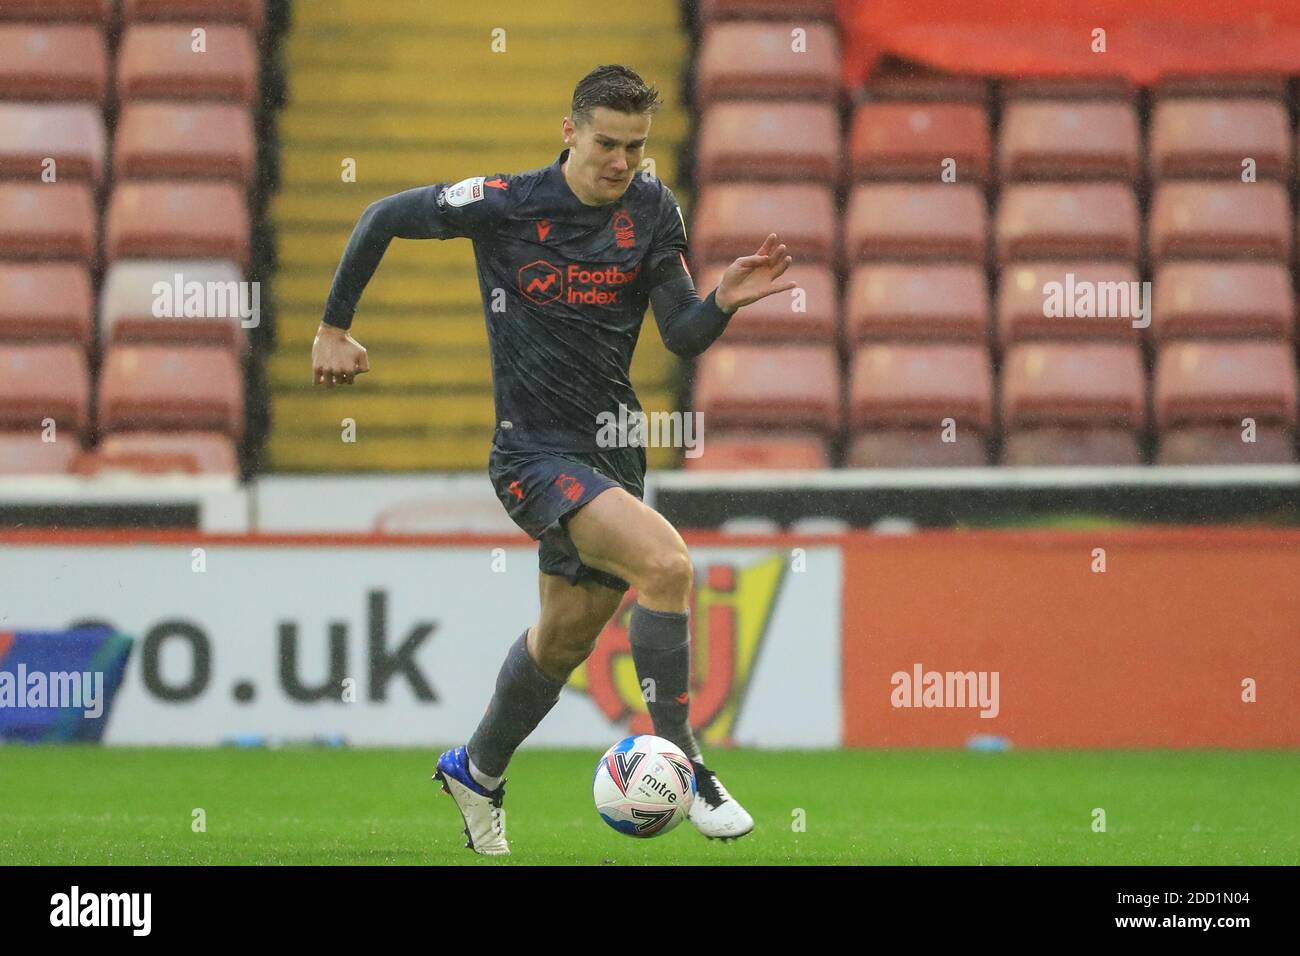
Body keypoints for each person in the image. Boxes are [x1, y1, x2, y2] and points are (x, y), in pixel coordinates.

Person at [312, 64, 795, 855]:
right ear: (570, 132)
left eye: (635, 147)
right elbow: (381, 216)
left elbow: (678, 333)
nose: (622, 161)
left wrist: (722, 304)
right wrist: (334, 326)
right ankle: (690, 766)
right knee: (668, 568)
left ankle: (477, 770)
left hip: (615, 456)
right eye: (607, 142)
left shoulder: (652, 207)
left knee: (562, 643)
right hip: (533, 454)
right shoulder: (506, 203)